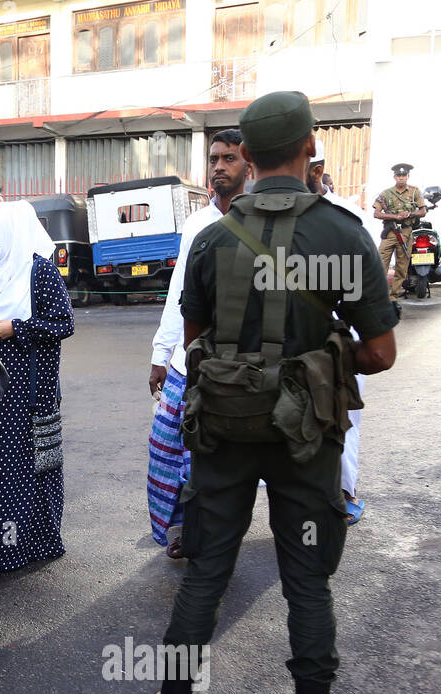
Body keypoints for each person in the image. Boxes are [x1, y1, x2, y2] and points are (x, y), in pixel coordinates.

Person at [144, 91, 399, 694]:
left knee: (204, 577)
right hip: (305, 440)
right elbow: (380, 353)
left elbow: (197, 341)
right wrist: (317, 356)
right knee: (308, 584)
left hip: (224, 431)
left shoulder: (213, 238)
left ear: (247, 156)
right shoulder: (344, 235)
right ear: (310, 147)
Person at [148, 129, 247, 559]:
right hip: (188, 363)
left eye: (229, 159)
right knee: (170, 448)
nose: (219, 167)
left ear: (249, 165)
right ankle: (188, 528)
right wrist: (160, 355)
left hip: (241, 367)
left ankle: (215, 536)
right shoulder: (196, 225)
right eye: (214, 159)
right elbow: (177, 296)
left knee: (223, 458)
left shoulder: (263, 223)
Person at [0, 201, 74, 572]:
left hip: (31, 393)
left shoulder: (39, 272)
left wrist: (18, 328)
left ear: (7, 238)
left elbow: (64, 323)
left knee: (31, 469)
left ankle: (29, 545)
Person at [308, 141, 372, 525]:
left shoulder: (349, 218)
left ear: (316, 172)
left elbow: (368, 294)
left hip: (341, 338)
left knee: (343, 419)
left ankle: (344, 493)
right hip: (296, 345)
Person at [372, 163, 424, 301]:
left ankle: (393, 296)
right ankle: (380, 295)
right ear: (394, 176)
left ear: (408, 176)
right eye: (398, 175)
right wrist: (395, 217)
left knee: (402, 267)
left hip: (406, 233)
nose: (401, 178)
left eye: (404, 175)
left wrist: (410, 214)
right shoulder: (385, 193)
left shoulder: (415, 192)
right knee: (380, 264)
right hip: (390, 232)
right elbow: (376, 214)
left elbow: (423, 211)